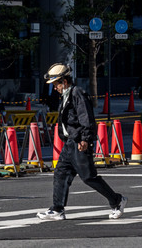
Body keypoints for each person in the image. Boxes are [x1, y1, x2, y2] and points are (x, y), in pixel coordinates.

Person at [36, 63, 126, 221]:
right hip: (70, 142)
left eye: (56, 84)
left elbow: (86, 118)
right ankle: (57, 209)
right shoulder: (67, 95)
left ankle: (117, 200)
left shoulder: (77, 93)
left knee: (88, 176)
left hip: (79, 141)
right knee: (61, 173)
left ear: (64, 82)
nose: (54, 88)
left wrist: (84, 138)